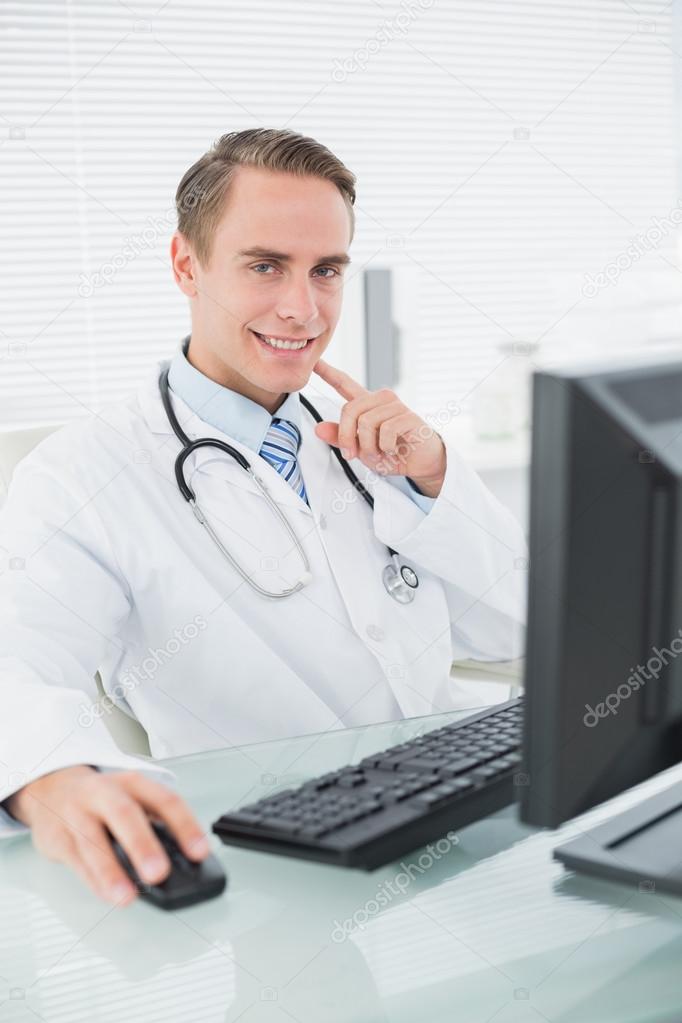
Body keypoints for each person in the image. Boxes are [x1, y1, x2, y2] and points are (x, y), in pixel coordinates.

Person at [0, 128, 527, 905]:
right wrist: (50, 778)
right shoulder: (83, 471)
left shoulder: (375, 437)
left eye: (326, 270)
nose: (302, 308)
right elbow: (18, 662)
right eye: (264, 265)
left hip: (463, 805)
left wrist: (434, 480)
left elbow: (520, 630)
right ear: (187, 264)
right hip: (278, 863)